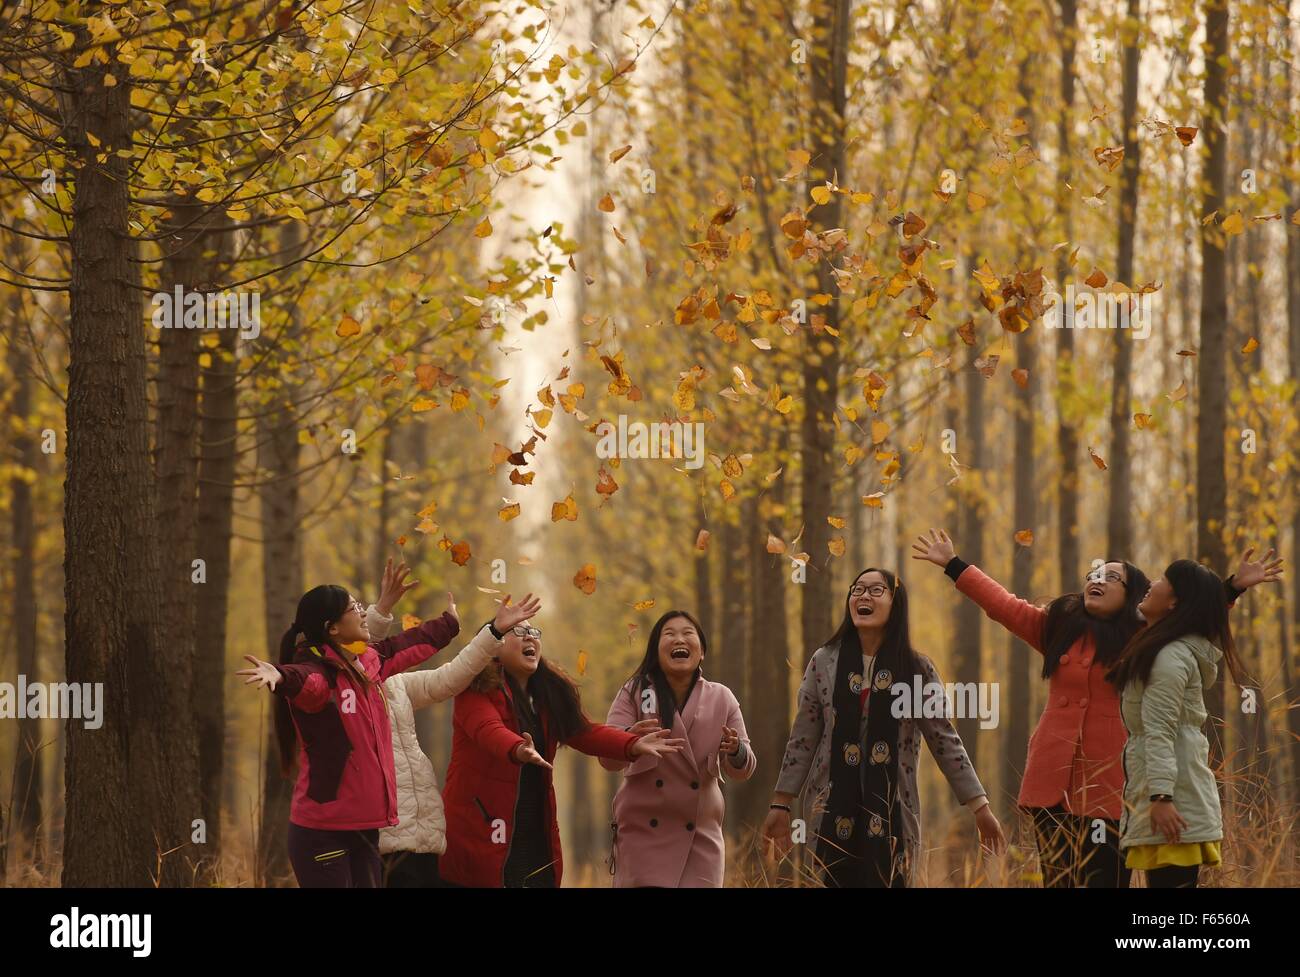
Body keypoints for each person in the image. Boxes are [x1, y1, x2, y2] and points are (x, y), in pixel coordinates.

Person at [911, 529, 1281, 887]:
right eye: (1094, 574)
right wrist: (954, 565)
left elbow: (1189, 614)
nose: (1097, 580)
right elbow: (1003, 606)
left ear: (1133, 592)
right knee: (1058, 880)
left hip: (1110, 786)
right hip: (1051, 782)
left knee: (1106, 879)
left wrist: (1232, 588)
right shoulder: (1057, 627)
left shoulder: (1146, 636)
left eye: (1111, 577)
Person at [762, 568, 1005, 887]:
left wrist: (980, 808)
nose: (863, 596)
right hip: (829, 814)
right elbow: (802, 738)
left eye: (876, 590)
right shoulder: (824, 662)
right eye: (857, 589)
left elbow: (944, 740)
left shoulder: (916, 668)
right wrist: (781, 803)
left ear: (896, 602)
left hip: (895, 820)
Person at [237, 577, 459, 887]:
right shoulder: (320, 675)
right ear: (332, 628)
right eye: (354, 608)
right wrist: (280, 675)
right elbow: (305, 681)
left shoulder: (368, 663)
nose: (363, 613)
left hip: (366, 831)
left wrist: (449, 624)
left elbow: (406, 647)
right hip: (323, 836)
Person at [439, 621, 685, 887]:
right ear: (491, 646)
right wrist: (518, 748)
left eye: (534, 632)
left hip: (533, 832)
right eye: (518, 632)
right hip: (479, 831)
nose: (529, 637)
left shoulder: (547, 693)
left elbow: (584, 732)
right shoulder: (473, 689)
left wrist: (631, 744)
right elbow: (488, 729)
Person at [362, 560, 543, 887]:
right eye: (355, 615)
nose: (362, 622)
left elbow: (452, 676)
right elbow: (356, 659)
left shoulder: (397, 684)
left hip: (425, 836)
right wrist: (382, 609)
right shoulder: (347, 688)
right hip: (383, 838)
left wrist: (493, 633)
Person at [1110, 561, 1245, 888]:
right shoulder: (1170, 648)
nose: (1150, 583)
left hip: (1174, 801)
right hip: (1178, 794)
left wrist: (1161, 798)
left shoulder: (1168, 657)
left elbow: (1160, 731)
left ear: (1174, 602)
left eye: (1161, 579)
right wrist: (1234, 587)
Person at [600, 610, 756, 887]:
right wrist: (629, 742)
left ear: (702, 651)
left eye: (688, 633)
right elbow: (607, 757)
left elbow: (743, 769)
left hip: (700, 838)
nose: (679, 639)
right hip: (643, 837)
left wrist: (735, 751)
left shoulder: (721, 697)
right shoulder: (634, 691)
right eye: (669, 634)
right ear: (655, 651)